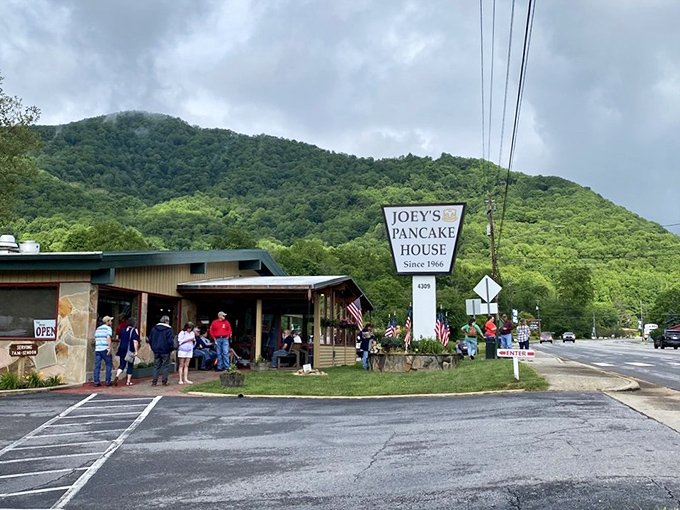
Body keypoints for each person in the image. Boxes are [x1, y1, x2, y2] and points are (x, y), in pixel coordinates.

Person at [149, 315, 174, 386]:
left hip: (156, 350)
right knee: (165, 366)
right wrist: (171, 348)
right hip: (165, 350)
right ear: (166, 321)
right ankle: (164, 381)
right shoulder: (168, 329)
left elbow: (150, 339)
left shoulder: (154, 328)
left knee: (156, 366)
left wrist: (153, 347)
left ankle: (154, 381)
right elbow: (170, 341)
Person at [115, 317, 139, 386]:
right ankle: (128, 381)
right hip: (130, 350)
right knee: (130, 365)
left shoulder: (122, 330)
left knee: (122, 364)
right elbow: (135, 341)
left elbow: (119, 338)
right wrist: (136, 351)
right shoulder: (134, 330)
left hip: (122, 349)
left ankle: (117, 375)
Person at [93, 316, 114, 387]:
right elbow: (108, 338)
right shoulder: (108, 328)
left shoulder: (98, 328)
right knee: (108, 364)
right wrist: (109, 348)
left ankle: (96, 381)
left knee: (97, 365)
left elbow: (95, 339)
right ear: (107, 321)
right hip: (105, 348)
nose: (111, 322)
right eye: (110, 321)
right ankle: (108, 381)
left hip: (98, 349)